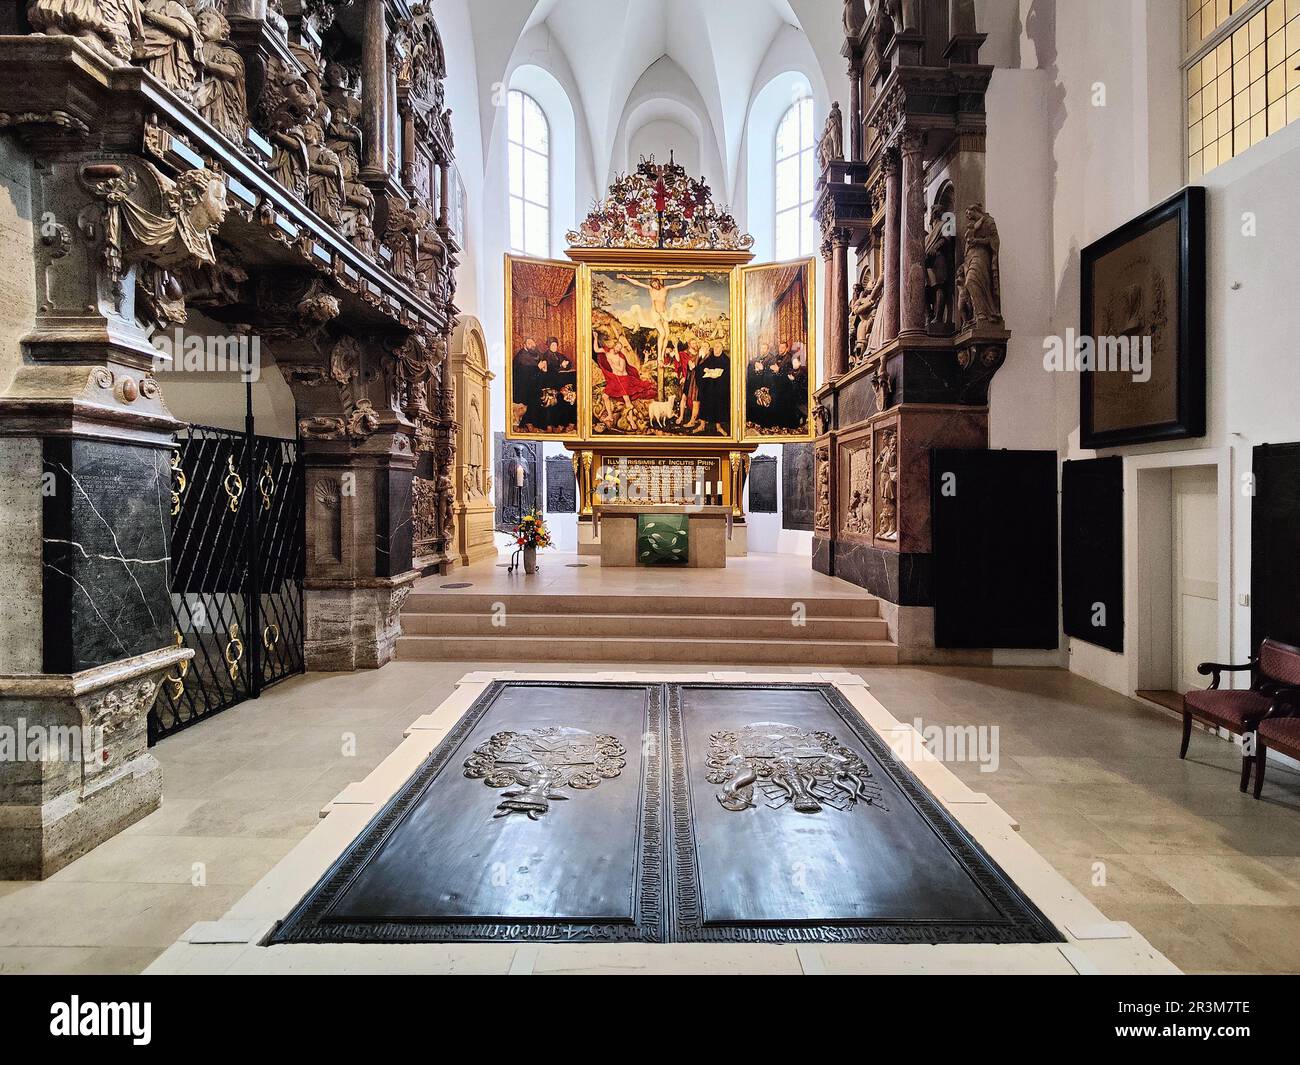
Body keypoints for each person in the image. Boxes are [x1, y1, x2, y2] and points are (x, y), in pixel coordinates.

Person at [614, 273, 701, 396]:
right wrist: (626, 278)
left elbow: (679, 284)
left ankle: (662, 352)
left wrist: (692, 279)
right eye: (652, 284)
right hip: (655, 313)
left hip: (664, 312)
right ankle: (660, 356)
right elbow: (637, 283)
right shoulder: (650, 290)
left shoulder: (665, 289)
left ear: (659, 282)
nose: (654, 285)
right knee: (662, 333)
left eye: (655, 283)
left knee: (667, 333)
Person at [692, 342, 730, 435]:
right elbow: (701, 367)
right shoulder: (710, 357)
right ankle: (702, 425)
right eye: (715, 347)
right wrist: (705, 369)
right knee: (705, 403)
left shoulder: (726, 359)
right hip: (708, 386)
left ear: (722, 348)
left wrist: (718, 376)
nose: (716, 349)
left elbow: (728, 374)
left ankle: (718, 427)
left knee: (718, 405)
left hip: (720, 387)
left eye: (718, 347)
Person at [540, 336, 576, 431]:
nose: (555, 346)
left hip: (561, 382)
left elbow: (569, 364)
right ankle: (552, 424)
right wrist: (561, 366)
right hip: (550, 383)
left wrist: (566, 364)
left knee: (569, 398)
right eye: (553, 345)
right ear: (549, 346)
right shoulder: (544, 356)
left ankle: (566, 423)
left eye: (556, 344)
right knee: (553, 401)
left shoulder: (560, 355)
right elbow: (549, 370)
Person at [512, 336, 543, 431]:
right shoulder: (521, 355)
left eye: (533, 344)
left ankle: (534, 423)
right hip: (521, 386)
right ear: (524, 345)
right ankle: (527, 423)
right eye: (529, 344)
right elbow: (526, 370)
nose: (531, 346)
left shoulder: (532, 353)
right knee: (533, 398)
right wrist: (538, 367)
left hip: (530, 383)